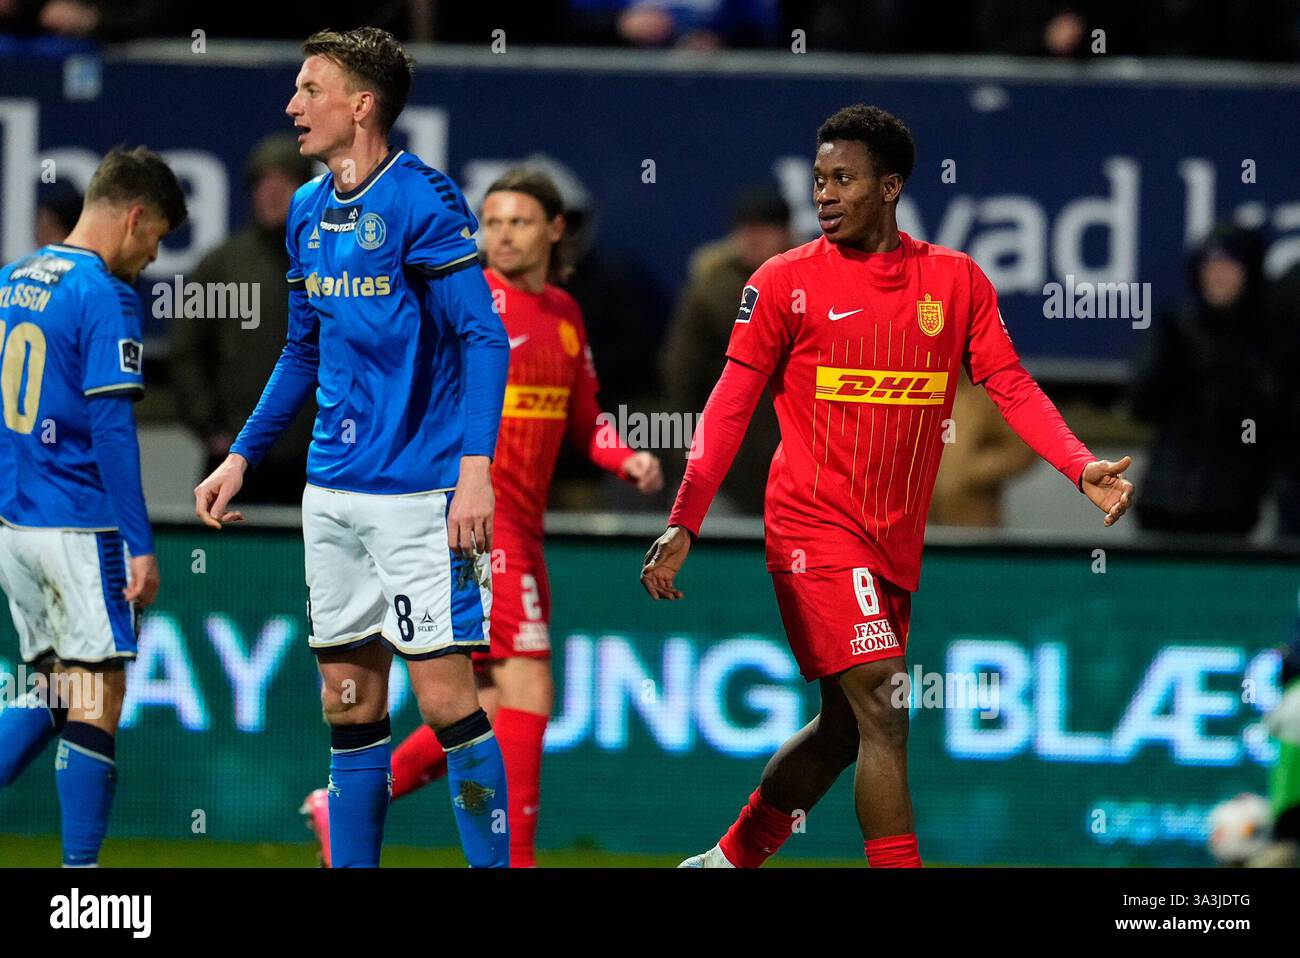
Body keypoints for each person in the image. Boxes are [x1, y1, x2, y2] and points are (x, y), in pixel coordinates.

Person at [640, 104, 1135, 868]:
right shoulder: (784, 282)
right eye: (818, 180)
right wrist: (685, 521)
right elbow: (728, 406)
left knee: (843, 730)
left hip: (894, 540)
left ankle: (727, 860)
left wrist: (1079, 463)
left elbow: (1008, 383)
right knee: (888, 705)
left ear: (892, 187)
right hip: (811, 526)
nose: (825, 195)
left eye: (844, 179)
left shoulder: (956, 281)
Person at [193, 27, 512, 868]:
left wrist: (475, 470)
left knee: (448, 706)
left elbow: (484, 338)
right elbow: (303, 350)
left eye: (309, 89)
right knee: (349, 705)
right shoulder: (305, 209)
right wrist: (242, 457)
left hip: (419, 493)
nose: (293, 106)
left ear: (361, 104)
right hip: (330, 492)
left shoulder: (424, 199)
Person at [302, 168, 664, 867]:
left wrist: (627, 460)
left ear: (555, 230)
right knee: (526, 686)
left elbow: (585, 420)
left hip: (525, 525)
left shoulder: (564, 313)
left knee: (486, 702)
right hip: (471, 518)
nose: (499, 234)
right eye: (490, 221)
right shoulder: (466, 299)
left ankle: (336, 804)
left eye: (518, 221)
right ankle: (514, 859)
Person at [0, 146, 183, 866]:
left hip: (16, 524)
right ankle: (81, 893)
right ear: (134, 216)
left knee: (52, 690)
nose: (152, 254)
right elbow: (111, 429)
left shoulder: (14, 279)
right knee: (96, 703)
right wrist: (139, 543)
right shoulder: (105, 295)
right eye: (158, 236)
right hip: (80, 523)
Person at [169, 135, 317, 505]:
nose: (272, 194)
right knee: (229, 560)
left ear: (307, 191)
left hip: (315, 457)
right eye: (263, 183)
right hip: (235, 456)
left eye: (284, 183)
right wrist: (212, 428)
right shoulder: (222, 265)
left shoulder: (328, 262)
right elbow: (186, 352)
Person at [1131, 224, 1277, 537]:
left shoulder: (1267, 338)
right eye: (1210, 265)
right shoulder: (1177, 329)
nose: (1218, 275)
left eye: (1230, 266)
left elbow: (1267, 416)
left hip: (1232, 509)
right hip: (1164, 503)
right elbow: (1141, 405)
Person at [660, 184, 791, 515]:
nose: (752, 238)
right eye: (745, 228)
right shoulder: (709, 290)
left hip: (796, 466)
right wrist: (689, 456)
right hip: (725, 467)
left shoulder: (811, 282)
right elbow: (681, 378)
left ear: (786, 233)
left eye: (764, 229)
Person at [929, 375, 1037, 526]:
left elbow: (1024, 444)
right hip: (918, 529)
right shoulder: (908, 387)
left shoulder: (989, 391)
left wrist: (974, 470)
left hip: (972, 522)